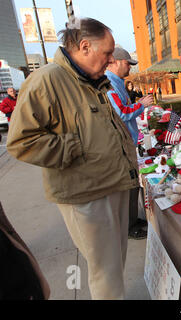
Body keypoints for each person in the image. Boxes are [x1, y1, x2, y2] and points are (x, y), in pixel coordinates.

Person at [6, 18, 139, 300]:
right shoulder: (48, 80)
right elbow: (20, 141)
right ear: (84, 46)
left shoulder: (92, 80)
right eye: (107, 52)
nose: (110, 60)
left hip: (110, 184)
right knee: (106, 271)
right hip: (86, 194)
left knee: (114, 267)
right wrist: (74, 146)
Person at [105, 47, 154, 240]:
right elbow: (121, 111)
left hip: (127, 142)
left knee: (133, 185)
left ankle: (132, 220)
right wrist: (142, 105)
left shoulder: (117, 82)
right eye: (127, 63)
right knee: (128, 186)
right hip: (121, 146)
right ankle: (129, 226)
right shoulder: (110, 84)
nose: (130, 68)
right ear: (115, 62)